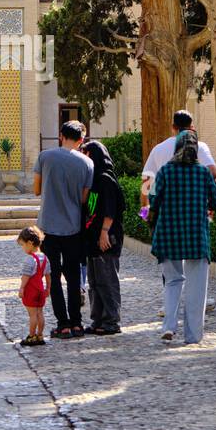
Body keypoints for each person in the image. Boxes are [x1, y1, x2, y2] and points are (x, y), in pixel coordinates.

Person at [147, 130, 216, 344]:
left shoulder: (165, 172)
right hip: (196, 236)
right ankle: (193, 335)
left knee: (172, 281)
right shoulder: (203, 173)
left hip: (169, 234)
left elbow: (153, 200)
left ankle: (169, 326)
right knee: (197, 288)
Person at [33, 121, 93, 338]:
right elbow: (84, 198)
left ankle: (63, 324)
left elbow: (36, 190)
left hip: (48, 226)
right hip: (73, 226)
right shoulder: (87, 163)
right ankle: (77, 323)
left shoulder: (45, 157)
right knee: (74, 275)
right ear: (81, 140)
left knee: (54, 276)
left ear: (60, 136)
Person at [80, 139, 124, 335]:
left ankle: (111, 320)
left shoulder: (105, 179)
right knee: (95, 281)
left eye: (86, 153)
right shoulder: (93, 179)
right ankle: (97, 319)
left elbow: (110, 210)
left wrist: (104, 232)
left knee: (107, 279)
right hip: (93, 239)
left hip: (107, 237)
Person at [140, 110, 216, 211]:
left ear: (173, 127)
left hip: (166, 210)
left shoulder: (158, 149)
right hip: (194, 207)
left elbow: (147, 179)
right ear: (191, 127)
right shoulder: (200, 147)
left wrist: (144, 208)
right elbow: (213, 172)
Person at [16, 226, 51, 347]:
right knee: (40, 313)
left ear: (30, 243)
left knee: (32, 314)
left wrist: (22, 288)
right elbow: (47, 275)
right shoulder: (44, 258)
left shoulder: (30, 259)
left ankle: (31, 336)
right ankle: (40, 335)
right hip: (41, 289)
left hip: (31, 290)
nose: (23, 248)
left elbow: (26, 276)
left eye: (23, 245)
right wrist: (48, 288)